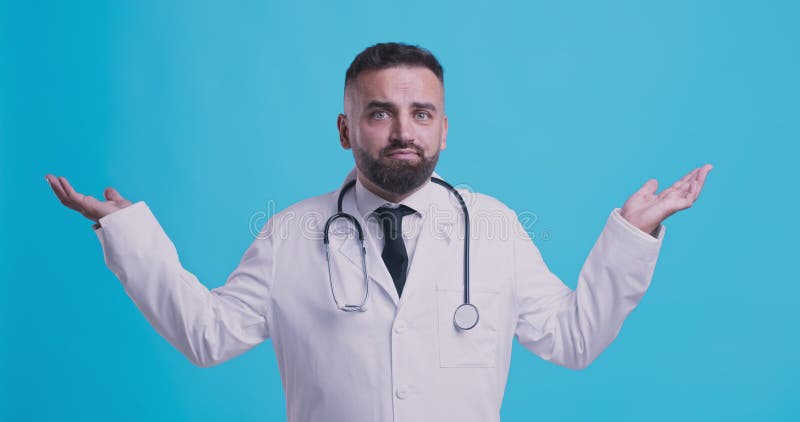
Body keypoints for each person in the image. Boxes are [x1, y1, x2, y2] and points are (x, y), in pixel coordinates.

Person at [46, 42, 713, 422]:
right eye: (379, 113)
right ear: (345, 129)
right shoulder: (290, 234)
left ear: (444, 130)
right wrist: (130, 236)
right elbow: (208, 335)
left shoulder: (495, 227)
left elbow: (571, 340)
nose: (402, 132)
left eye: (422, 113)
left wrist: (630, 234)